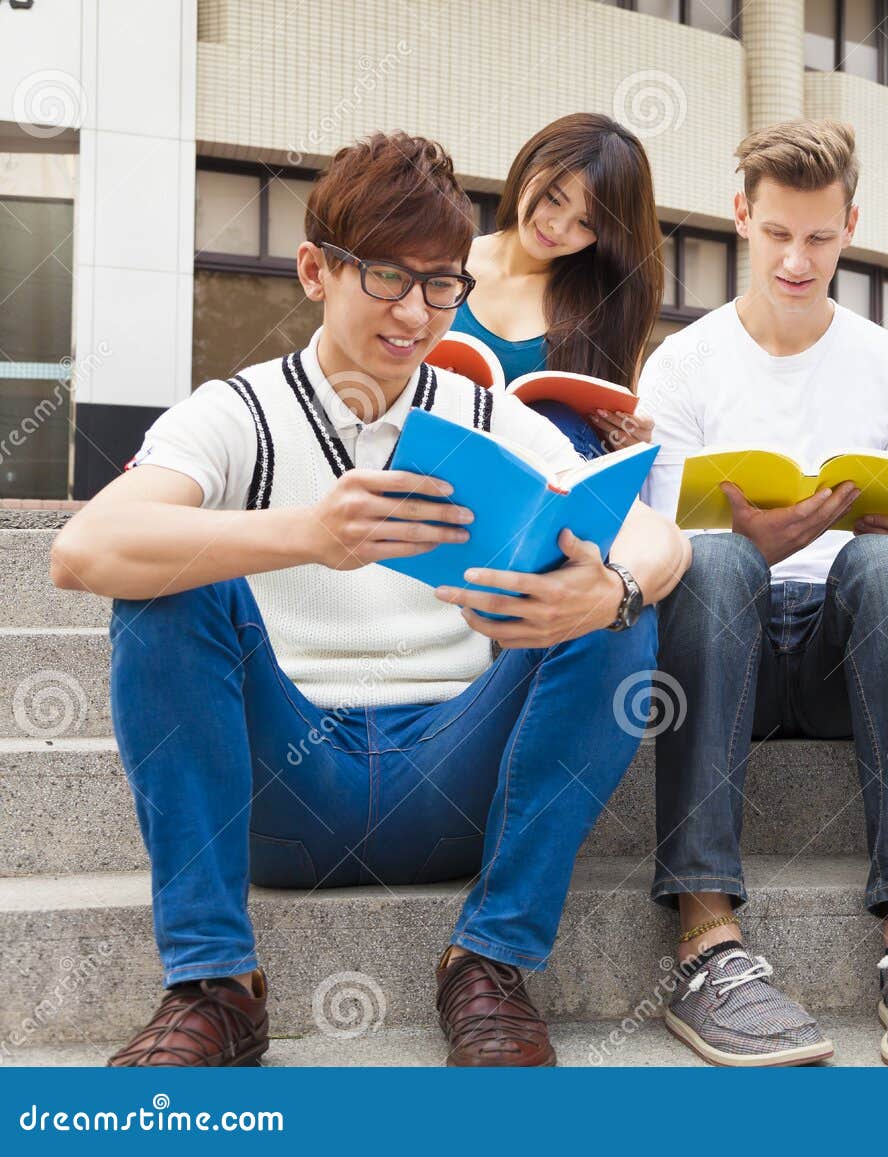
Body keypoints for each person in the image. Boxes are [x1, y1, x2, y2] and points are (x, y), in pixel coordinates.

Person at [50, 132, 690, 1068]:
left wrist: (611, 587)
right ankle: (214, 985)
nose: (417, 312)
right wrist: (309, 533)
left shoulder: (484, 414)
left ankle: (491, 959)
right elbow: (84, 549)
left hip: (456, 775)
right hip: (285, 792)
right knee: (161, 591)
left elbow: (654, 536)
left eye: (442, 285)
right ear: (315, 269)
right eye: (387, 277)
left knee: (613, 607)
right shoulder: (238, 411)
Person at [637, 119, 888, 1068]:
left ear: (851, 225)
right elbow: (660, 548)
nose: (797, 259)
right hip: (723, 650)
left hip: (844, 651)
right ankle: (708, 938)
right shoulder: (682, 365)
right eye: (779, 232)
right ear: (742, 217)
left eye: (821, 238)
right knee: (715, 562)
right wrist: (739, 537)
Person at [454, 113, 663, 457]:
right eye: (553, 199)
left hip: (541, 493)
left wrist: (630, 443)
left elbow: (603, 442)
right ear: (529, 166)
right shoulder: (446, 264)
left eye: (586, 223)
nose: (558, 228)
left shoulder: (611, 303)